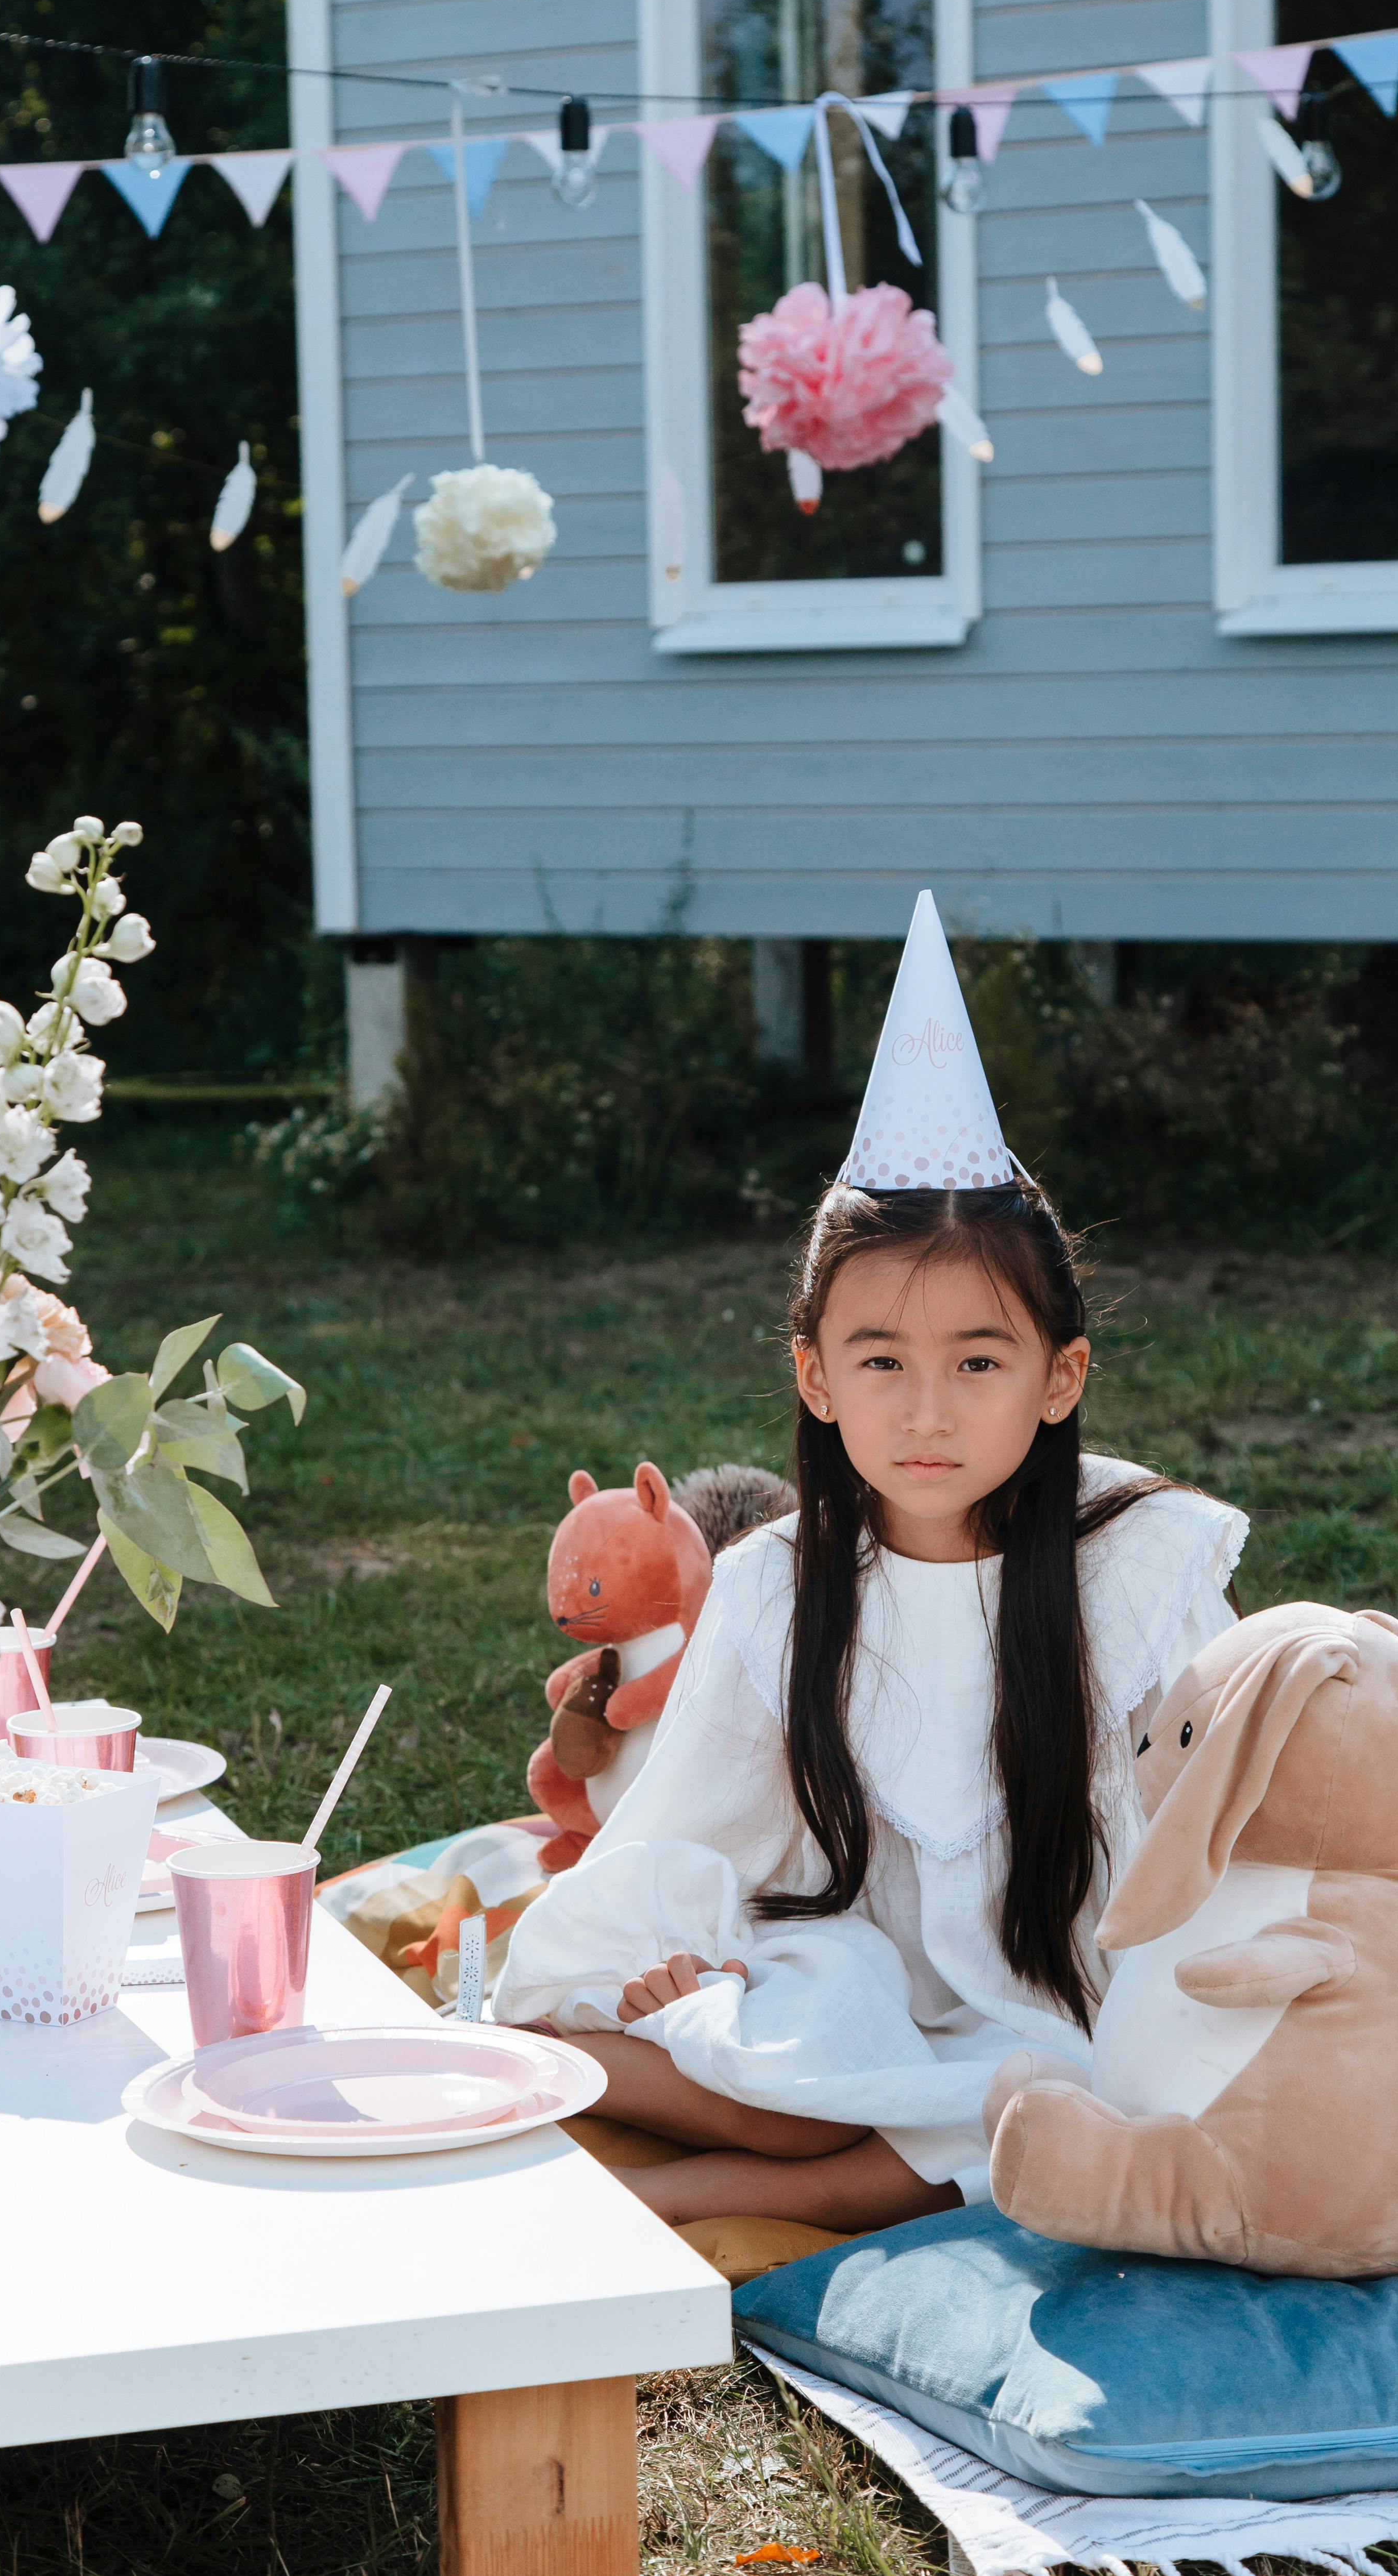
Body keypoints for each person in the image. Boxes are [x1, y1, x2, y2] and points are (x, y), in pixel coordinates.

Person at [493, 895, 1247, 2235]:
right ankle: (591, 2117)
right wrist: (685, 1965)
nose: (930, 1411)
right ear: (816, 1375)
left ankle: (652, 2208)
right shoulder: (787, 1584)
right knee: (775, 2082)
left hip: (1066, 2003)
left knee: (1027, 2097)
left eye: (979, 1360)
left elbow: (1207, 1829)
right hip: (846, 1968)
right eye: (882, 1361)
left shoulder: (1134, 1560)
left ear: (1061, 1374)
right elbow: (699, 1816)